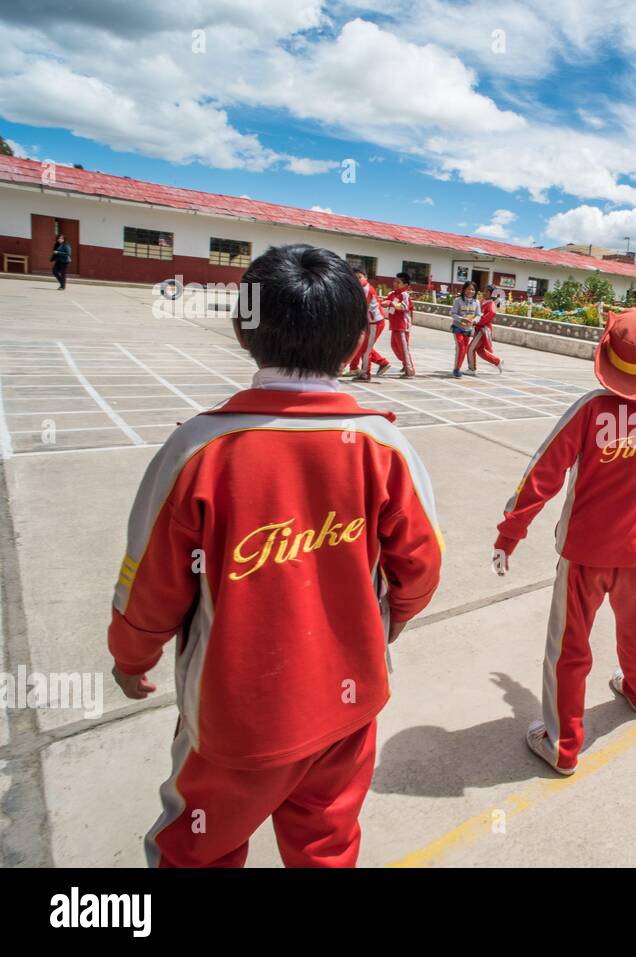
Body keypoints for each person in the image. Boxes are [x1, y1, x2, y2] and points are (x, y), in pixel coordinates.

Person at [106, 244, 443, 867]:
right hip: (348, 708)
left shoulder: (197, 448)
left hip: (235, 720)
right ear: (359, 341)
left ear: (242, 328)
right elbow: (420, 567)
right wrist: (385, 624)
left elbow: (151, 583)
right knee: (327, 845)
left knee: (198, 848)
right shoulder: (383, 445)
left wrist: (132, 655)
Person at [493, 308, 636, 775]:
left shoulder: (591, 411)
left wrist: (511, 531)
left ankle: (563, 745)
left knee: (569, 648)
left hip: (586, 554)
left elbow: (542, 474)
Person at [346, 267, 390, 380]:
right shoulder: (361, 288)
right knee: (363, 347)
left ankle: (365, 374)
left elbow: (358, 308)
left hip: (375, 323)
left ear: (365, 277)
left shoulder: (365, 289)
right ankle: (382, 363)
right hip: (370, 323)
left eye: (359, 277)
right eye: (354, 278)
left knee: (365, 350)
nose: (357, 280)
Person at [383, 271, 416, 378]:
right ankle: (405, 363)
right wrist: (384, 302)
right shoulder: (393, 294)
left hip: (402, 326)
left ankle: (409, 370)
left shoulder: (404, 294)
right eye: (395, 281)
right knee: (394, 347)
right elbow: (386, 301)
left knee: (403, 348)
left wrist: (391, 303)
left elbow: (404, 306)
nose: (395, 283)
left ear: (405, 285)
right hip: (394, 325)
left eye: (398, 282)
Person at [468, 283, 504, 373]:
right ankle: (497, 361)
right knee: (480, 351)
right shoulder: (481, 301)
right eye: (484, 290)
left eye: (487, 291)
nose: (484, 293)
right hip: (478, 329)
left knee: (470, 348)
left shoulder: (491, 305)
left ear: (492, 294)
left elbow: (486, 318)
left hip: (483, 330)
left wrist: (475, 321)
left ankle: (472, 368)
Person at [449, 280, 480, 378]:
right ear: (464, 289)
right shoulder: (458, 300)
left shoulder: (477, 302)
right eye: (468, 289)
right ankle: (457, 369)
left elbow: (478, 315)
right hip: (458, 327)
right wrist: (462, 319)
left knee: (463, 349)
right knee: (461, 347)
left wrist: (474, 321)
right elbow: (453, 313)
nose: (470, 291)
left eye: (473, 290)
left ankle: (458, 367)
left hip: (468, 329)